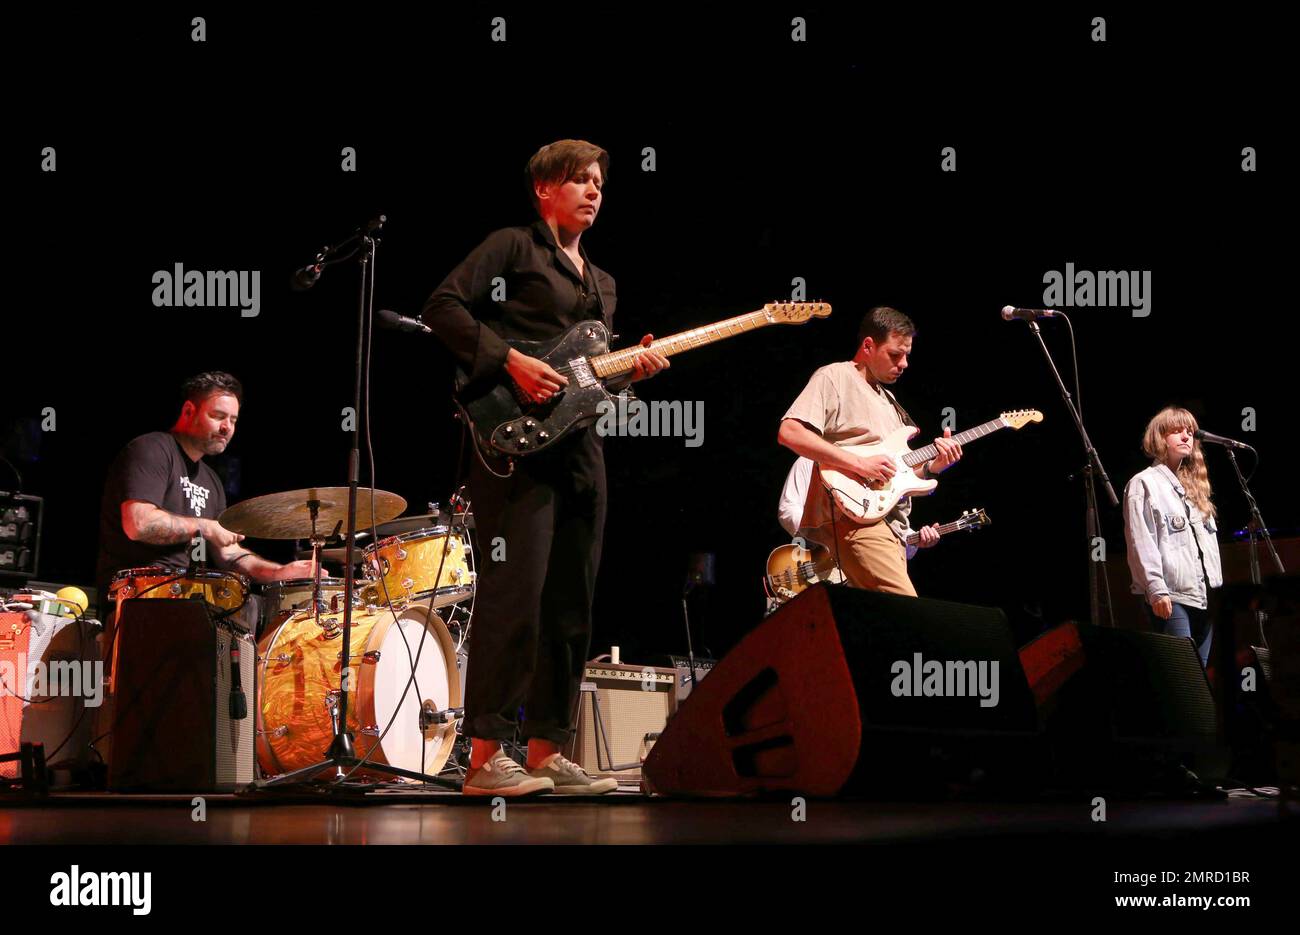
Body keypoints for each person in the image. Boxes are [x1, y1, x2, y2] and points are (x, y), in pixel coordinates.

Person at [422, 140, 668, 796]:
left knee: (570, 604)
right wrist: (508, 359)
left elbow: (587, 380)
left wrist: (629, 373)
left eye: (598, 182)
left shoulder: (603, 283)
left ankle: (544, 750)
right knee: (515, 597)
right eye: (578, 180)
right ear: (543, 188)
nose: (593, 190)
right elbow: (442, 307)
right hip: (512, 447)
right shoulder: (512, 247)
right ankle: (482, 760)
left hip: (582, 453)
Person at [96, 371, 318, 663]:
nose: (227, 427)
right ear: (189, 410)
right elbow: (139, 524)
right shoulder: (151, 450)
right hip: (137, 599)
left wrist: (280, 573)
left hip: (187, 600)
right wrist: (206, 527)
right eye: (218, 416)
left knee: (253, 611)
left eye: (234, 420)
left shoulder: (211, 481)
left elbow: (229, 553)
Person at [776, 307, 959, 596]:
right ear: (869, 346)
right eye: (895, 354)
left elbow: (895, 475)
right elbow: (790, 432)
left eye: (907, 355)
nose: (905, 363)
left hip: (894, 530)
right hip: (856, 520)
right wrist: (860, 464)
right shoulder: (835, 376)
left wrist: (932, 468)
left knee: (879, 627)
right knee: (911, 617)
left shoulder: (891, 403)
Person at [1123, 407, 1223, 667]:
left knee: (1199, 678)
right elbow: (1140, 541)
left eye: (1189, 432)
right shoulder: (1144, 483)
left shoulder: (1196, 488)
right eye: (1176, 431)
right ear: (1159, 438)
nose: (1185, 436)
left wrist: (1217, 592)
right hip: (1172, 595)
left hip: (1205, 597)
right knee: (1185, 674)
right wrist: (1156, 590)